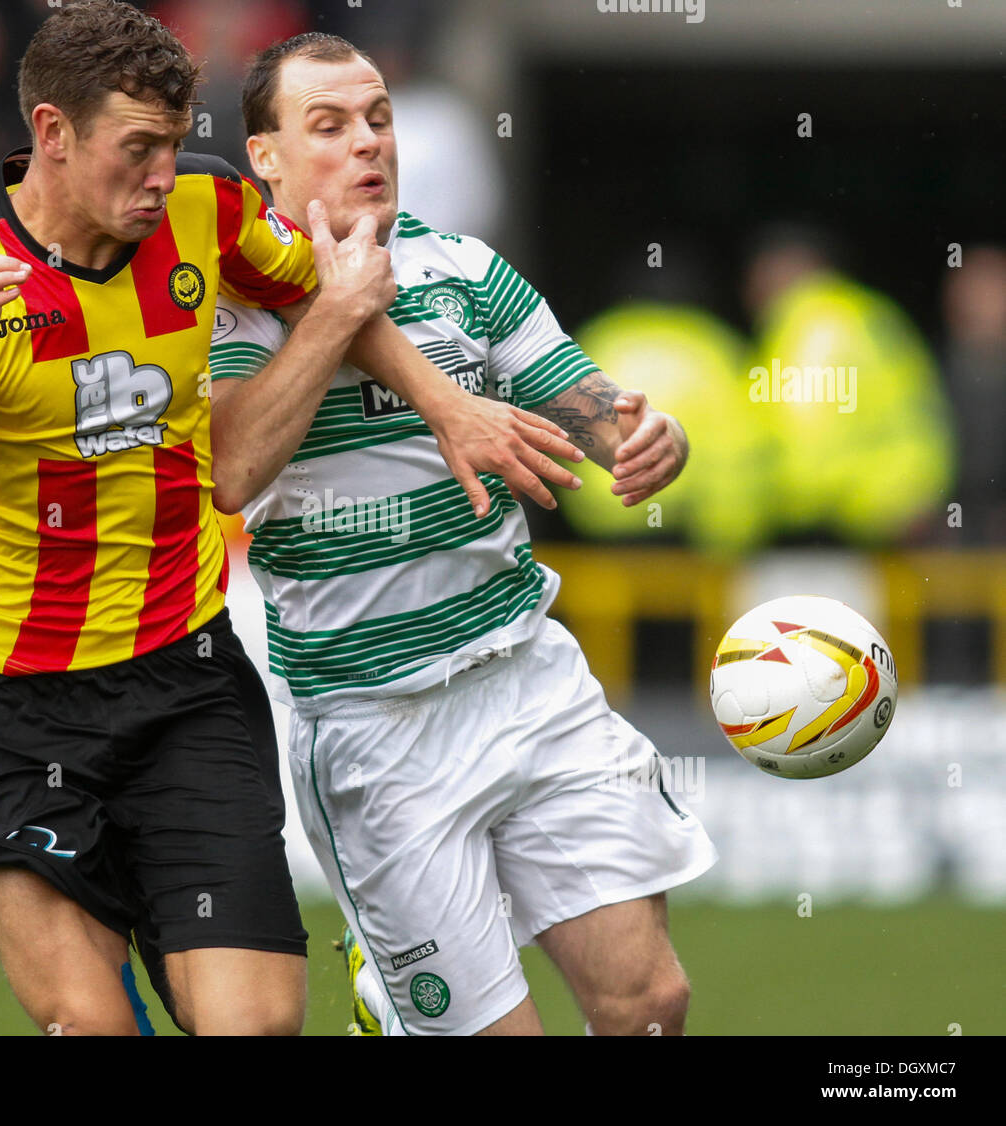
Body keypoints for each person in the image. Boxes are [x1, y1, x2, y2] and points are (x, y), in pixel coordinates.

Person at [0, 2, 577, 1037]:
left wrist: (447, 405)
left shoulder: (205, 209)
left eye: (173, 144)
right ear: (53, 133)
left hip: (182, 689)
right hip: (4, 712)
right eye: (138, 150)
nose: (162, 175)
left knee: (253, 1027)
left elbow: (326, 297)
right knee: (95, 1025)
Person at [208, 32, 718, 1036]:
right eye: (329, 124)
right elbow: (231, 470)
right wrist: (338, 305)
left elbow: (601, 418)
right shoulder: (225, 301)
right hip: (374, 728)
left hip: (527, 680)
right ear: (264, 156)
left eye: (378, 119)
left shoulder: (464, 269)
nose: (367, 143)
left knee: (649, 1002)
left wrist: (653, 437)